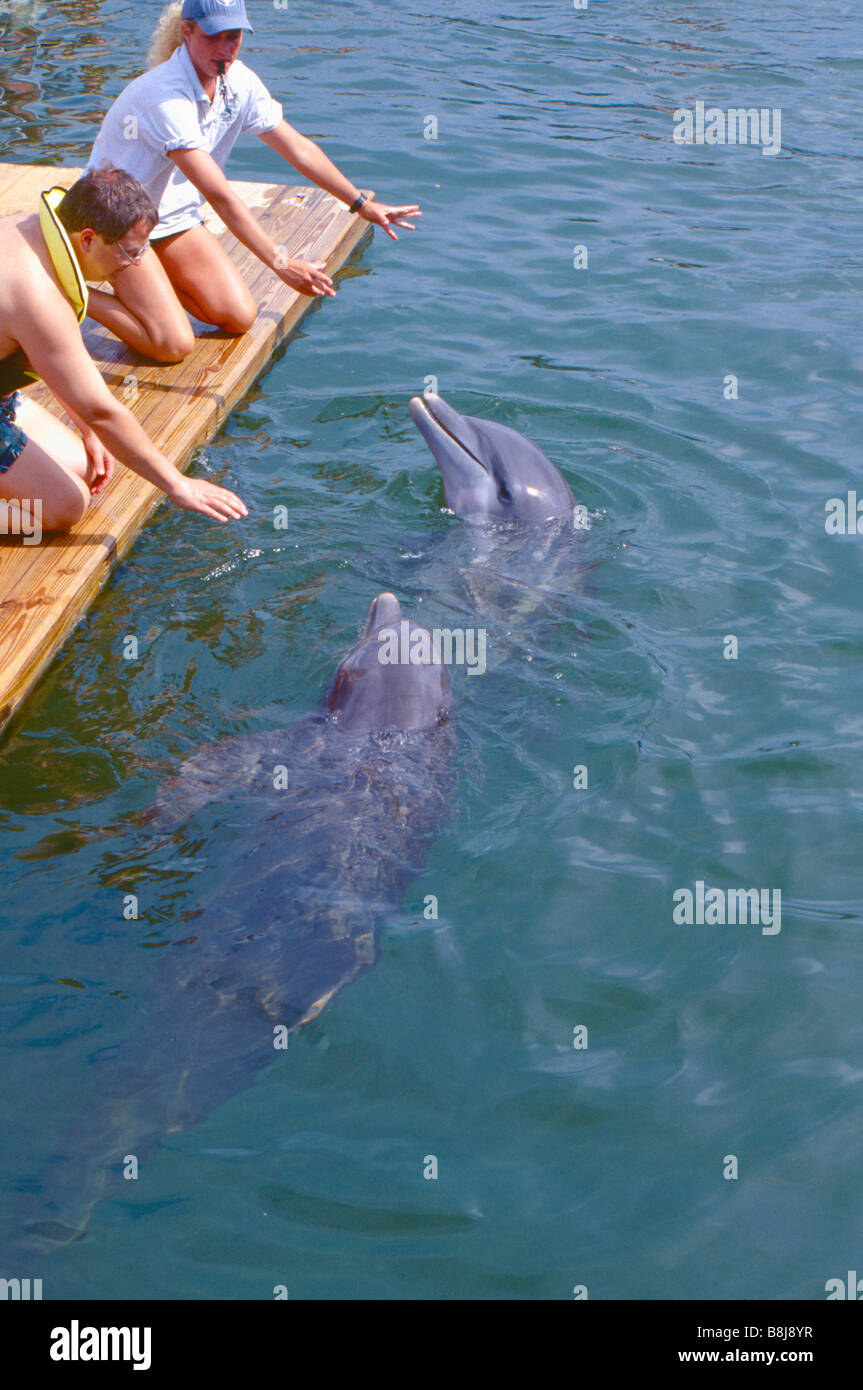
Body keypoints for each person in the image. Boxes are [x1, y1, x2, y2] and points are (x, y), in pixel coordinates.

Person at [82, 0, 422, 363]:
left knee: (238, 316)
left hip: (171, 219)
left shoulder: (238, 81)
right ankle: (71, 291)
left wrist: (361, 204)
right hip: (113, 223)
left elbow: (297, 149)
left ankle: (150, 285)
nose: (225, 49)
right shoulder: (163, 95)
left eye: (234, 37)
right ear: (187, 31)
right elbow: (217, 193)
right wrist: (280, 263)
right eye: (213, 36)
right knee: (172, 346)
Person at [0, 166, 247, 532]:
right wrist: (178, 485)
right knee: (63, 507)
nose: (132, 264)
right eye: (129, 252)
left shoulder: (30, 228)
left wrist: (85, 426)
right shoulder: (38, 295)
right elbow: (103, 412)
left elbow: (60, 370)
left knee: (84, 466)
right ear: (88, 239)